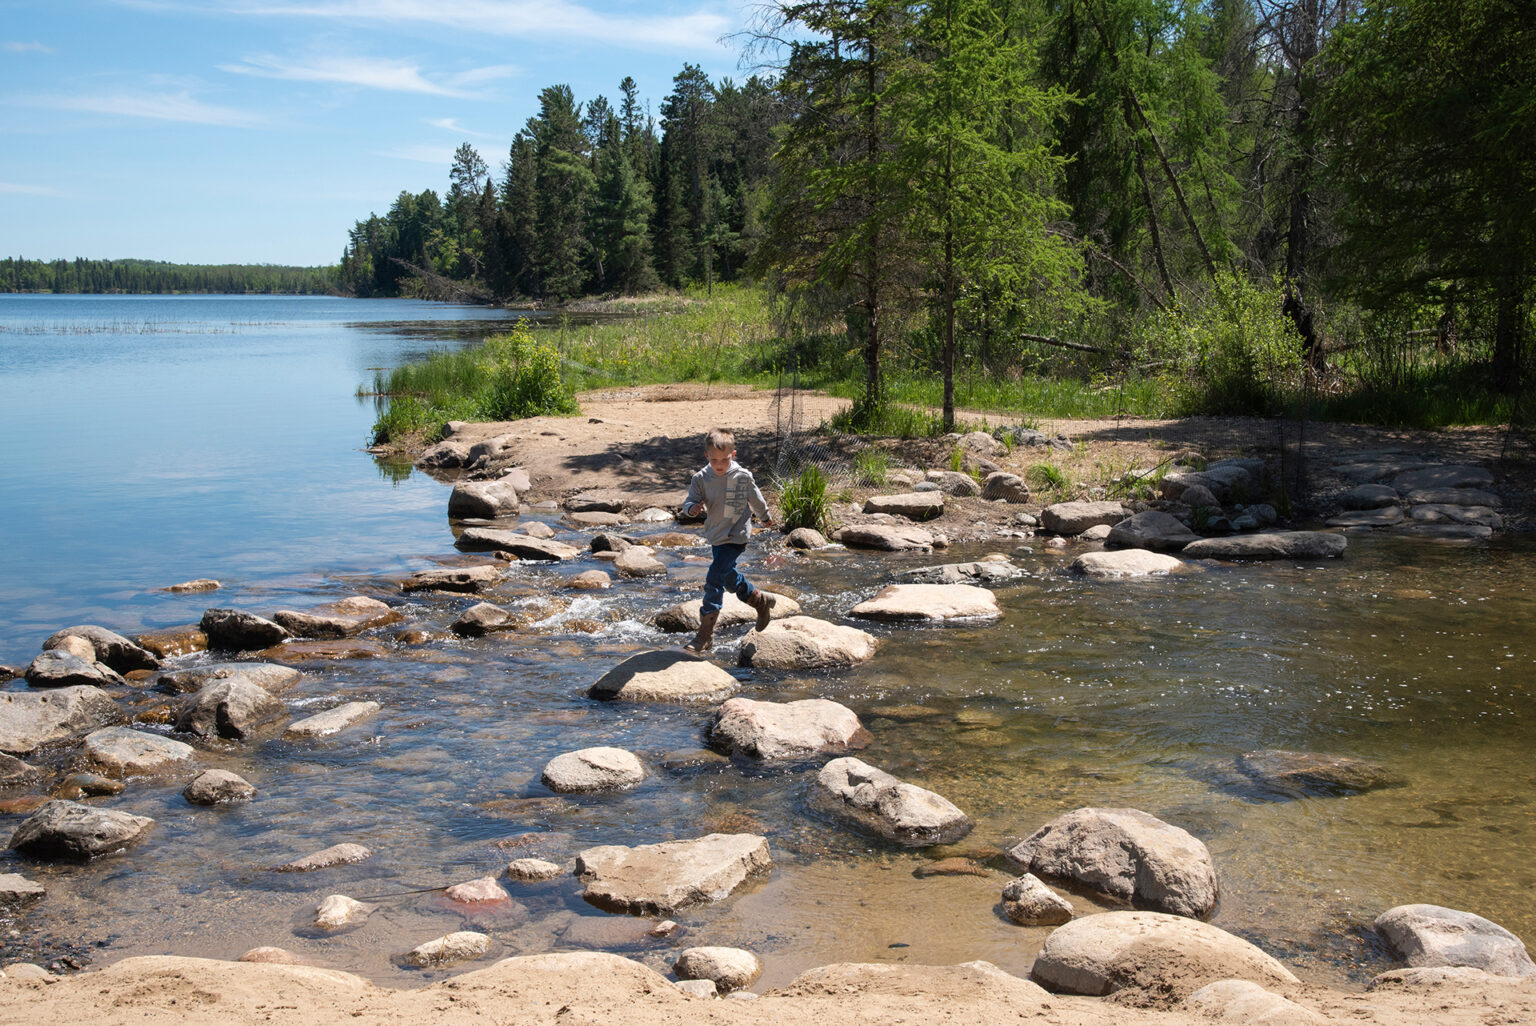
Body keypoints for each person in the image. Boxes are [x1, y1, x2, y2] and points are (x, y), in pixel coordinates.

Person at [680, 427, 775, 653]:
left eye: (724, 460)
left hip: (736, 534)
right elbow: (689, 502)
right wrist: (691, 509)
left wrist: (765, 517)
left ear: (733, 455)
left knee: (714, 579)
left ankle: (705, 635)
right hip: (716, 534)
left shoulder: (742, 476)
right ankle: (760, 601)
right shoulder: (701, 478)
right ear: (707, 456)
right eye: (714, 460)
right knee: (729, 578)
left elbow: (756, 499)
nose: (719, 465)